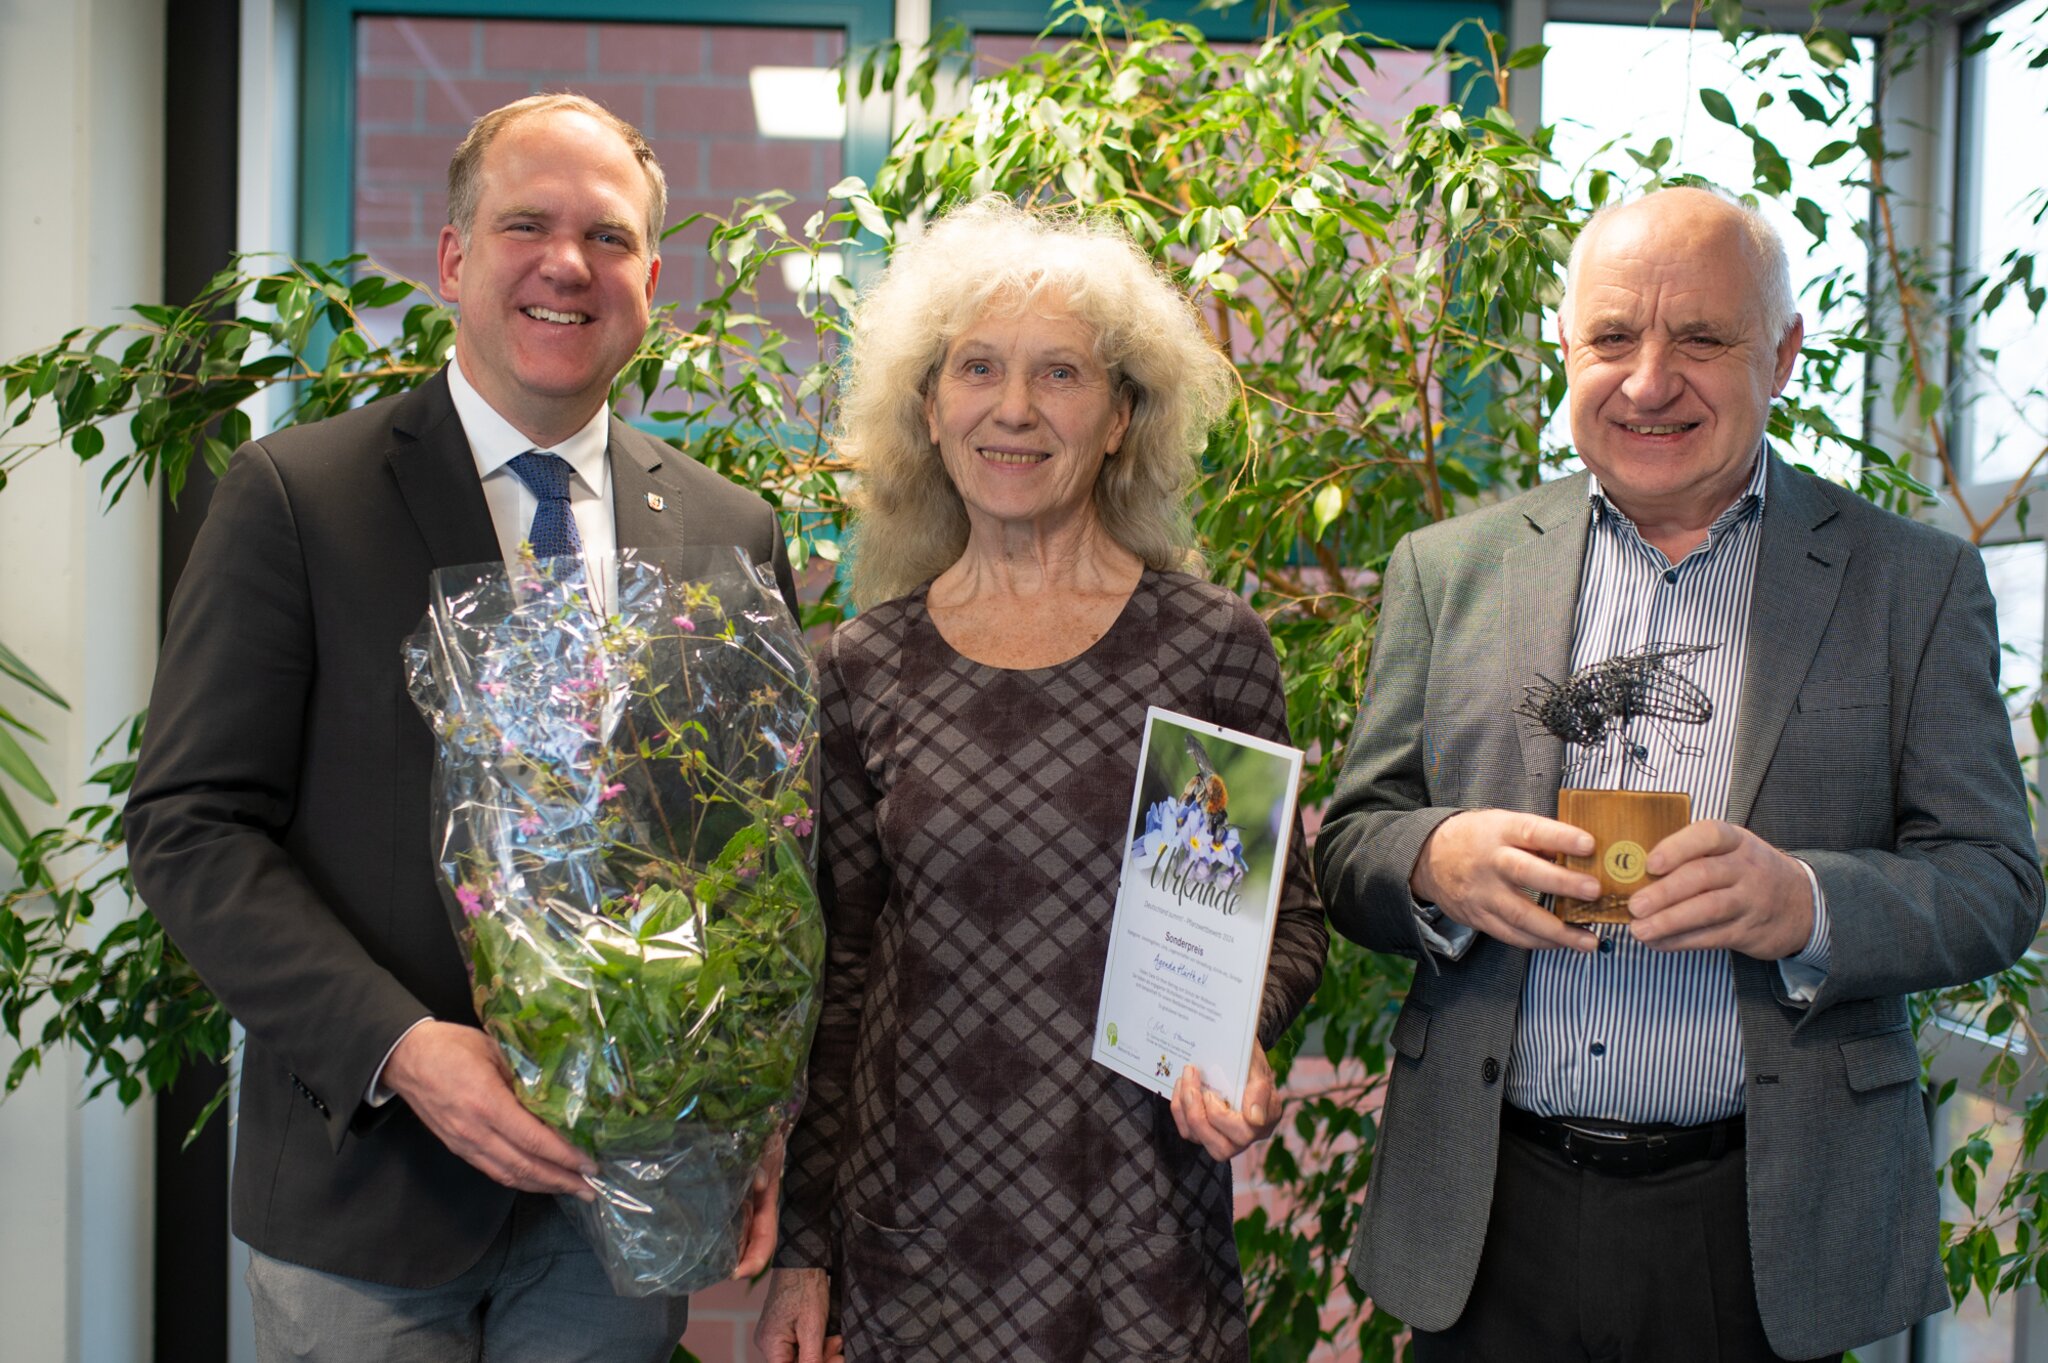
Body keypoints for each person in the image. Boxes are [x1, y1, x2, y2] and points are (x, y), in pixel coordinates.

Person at [1314, 184, 2044, 1362]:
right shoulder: (1446, 570)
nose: (1648, 381)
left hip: (1762, 1219)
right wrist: (1432, 860)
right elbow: (1352, 844)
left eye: (1699, 338)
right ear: (1566, 350)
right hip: (1491, 1207)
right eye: (1610, 337)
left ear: (1782, 354)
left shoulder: (1908, 583)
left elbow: (1993, 881)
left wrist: (1806, 903)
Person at [125, 94, 798, 1363]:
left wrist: (754, 1112)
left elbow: (754, 856)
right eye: (524, 225)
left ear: (650, 278)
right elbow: (189, 827)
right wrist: (405, 1049)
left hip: (621, 1202)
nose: (565, 265)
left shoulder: (731, 531)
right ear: (451, 257)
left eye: (606, 238)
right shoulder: (298, 498)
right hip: (366, 1189)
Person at [752, 197, 1329, 1363]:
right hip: (911, 1241)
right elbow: (843, 974)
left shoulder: (1204, 647)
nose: (1012, 409)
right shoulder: (861, 667)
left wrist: (1242, 1035)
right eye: (976, 369)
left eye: (1058, 373)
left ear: (1120, 417)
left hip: (1137, 1232)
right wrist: (804, 1249)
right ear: (926, 408)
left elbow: (1280, 919)